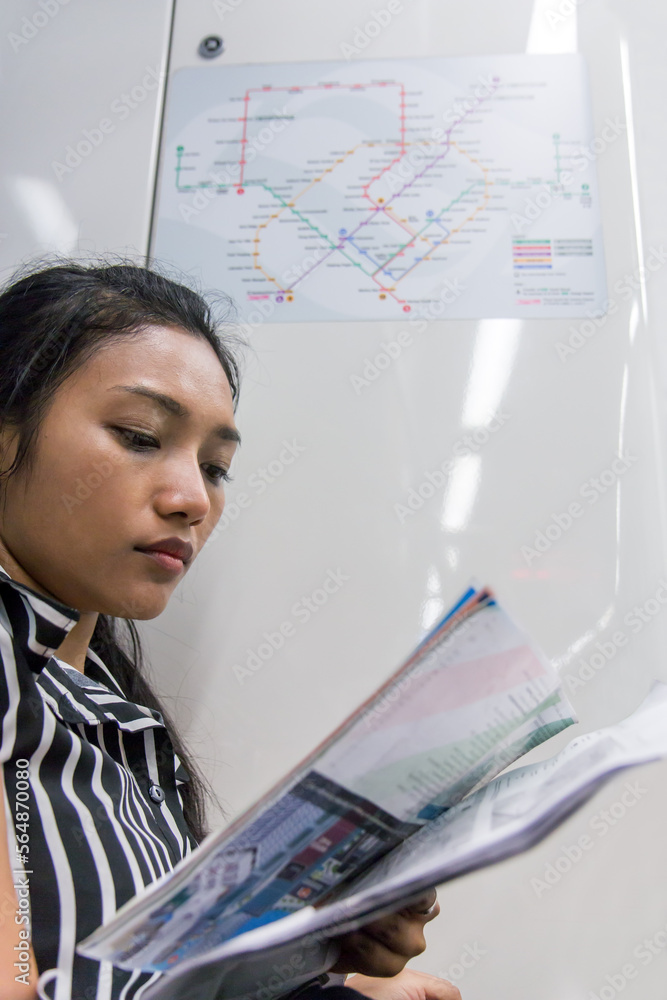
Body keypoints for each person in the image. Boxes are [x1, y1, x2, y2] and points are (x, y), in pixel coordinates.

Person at [0, 261, 461, 1000]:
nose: (191, 499)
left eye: (216, 467)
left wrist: (312, 953)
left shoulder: (108, 704)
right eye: (139, 435)